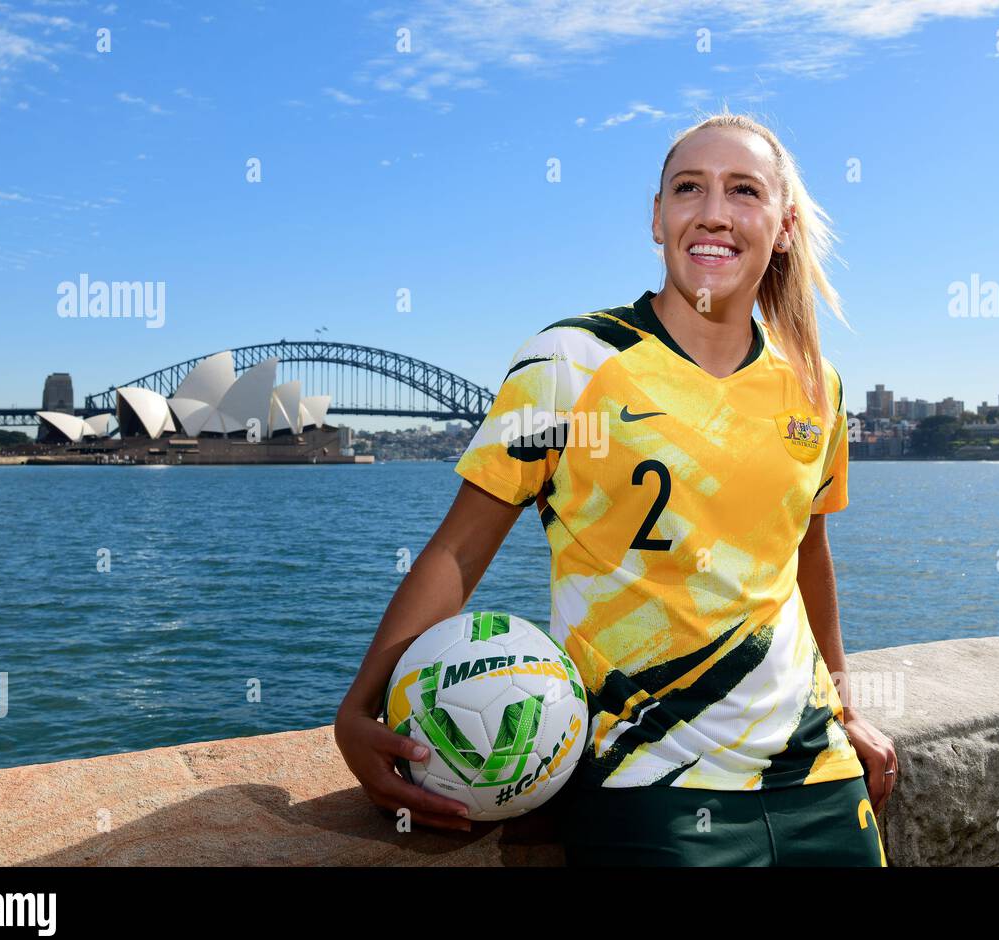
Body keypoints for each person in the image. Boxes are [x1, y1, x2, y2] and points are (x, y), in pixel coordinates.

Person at [334, 109, 897, 865]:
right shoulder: (571, 362)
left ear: (784, 224)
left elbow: (807, 557)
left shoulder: (814, 384)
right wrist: (359, 708)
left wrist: (846, 705)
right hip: (646, 783)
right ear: (657, 218)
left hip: (819, 775)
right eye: (688, 188)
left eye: (744, 191)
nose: (713, 213)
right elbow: (460, 552)